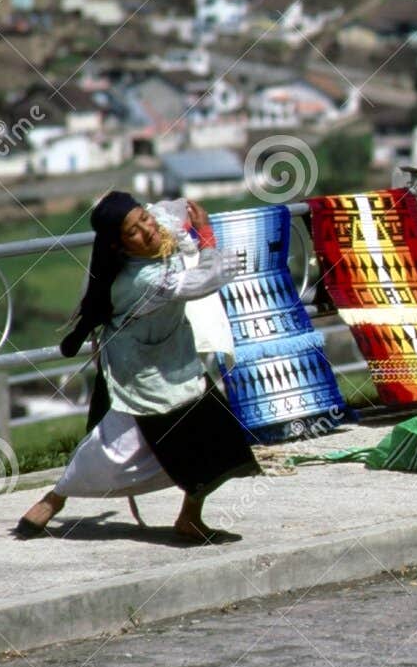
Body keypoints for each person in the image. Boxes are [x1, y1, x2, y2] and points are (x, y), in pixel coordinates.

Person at [17, 192, 258, 540]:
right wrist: (205, 235)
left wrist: (181, 211)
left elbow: (169, 213)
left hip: (176, 360)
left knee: (218, 439)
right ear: (119, 246)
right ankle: (55, 499)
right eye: (134, 231)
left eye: (144, 219)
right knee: (112, 450)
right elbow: (204, 281)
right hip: (141, 374)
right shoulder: (144, 280)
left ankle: (190, 518)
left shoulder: (155, 229)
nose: (148, 230)